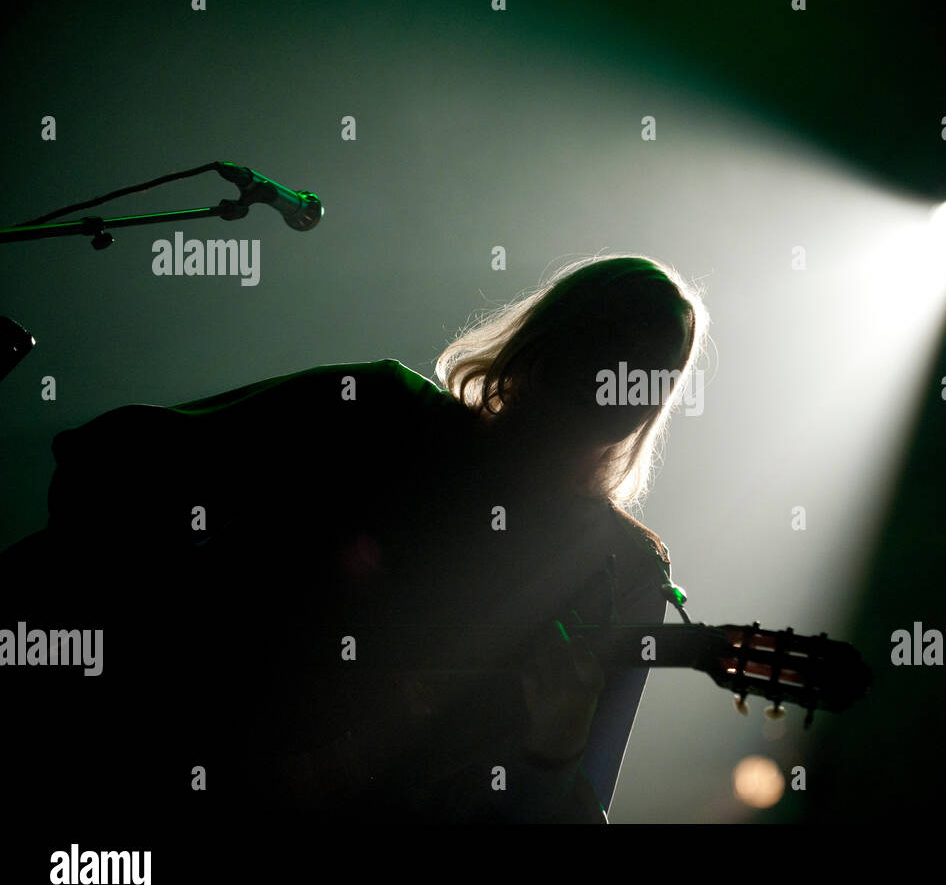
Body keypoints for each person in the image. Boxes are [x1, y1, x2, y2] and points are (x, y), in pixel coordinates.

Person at [0, 253, 709, 824]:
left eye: (655, 366)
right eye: (615, 343)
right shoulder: (376, 413)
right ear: (549, 341)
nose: (624, 380)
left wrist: (553, 752)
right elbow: (113, 458)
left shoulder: (626, 575)